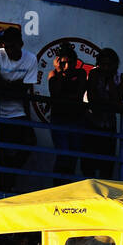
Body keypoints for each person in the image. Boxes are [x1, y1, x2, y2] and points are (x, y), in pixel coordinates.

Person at [0, 26, 38, 188]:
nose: (9, 49)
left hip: (16, 112)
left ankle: (7, 180)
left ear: (21, 44)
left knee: (27, 144)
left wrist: (4, 88)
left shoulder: (31, 59)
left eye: (13, 45)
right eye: (6, 45)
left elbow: (25, 90)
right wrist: (13, 87)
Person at [81, 46, 123, 179]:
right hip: (91, 121)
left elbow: (119, 99)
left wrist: (110, 81)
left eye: (109, 65)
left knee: (107, 162)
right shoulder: (94, 74)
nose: (106, 68)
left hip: (109, 125)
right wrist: (113, 103)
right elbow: (94, 99)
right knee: (88, 162)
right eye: (103, 64)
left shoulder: (121, 78)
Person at [46, 43, 86, 178]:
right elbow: (55, 93)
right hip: (59, 119)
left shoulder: (80, 73)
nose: (67, 66)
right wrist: (59, 72)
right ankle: (59, 188)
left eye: (70, 63)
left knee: (73, 157)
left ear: (75, 62)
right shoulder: (53, 74)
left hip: (76, 119)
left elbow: (79, 95)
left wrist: (65, 97)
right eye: (63, 63)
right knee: (63, 155)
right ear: (58, 63)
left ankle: (68, 189)